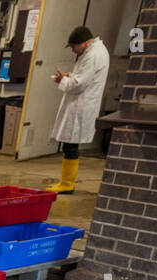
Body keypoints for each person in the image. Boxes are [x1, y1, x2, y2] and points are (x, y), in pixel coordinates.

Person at [47, 26, 110, 194]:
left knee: (71, 145)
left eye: (74, 46)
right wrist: (69, 76)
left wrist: (64, 80)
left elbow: (79, 84)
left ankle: (67, 184)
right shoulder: (92, 52)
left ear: (84, 43)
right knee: (70, 143)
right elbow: (82, 77)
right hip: (79, 104)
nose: (74, 50)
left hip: (81, 106)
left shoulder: (94, 55)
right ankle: (66, 182)